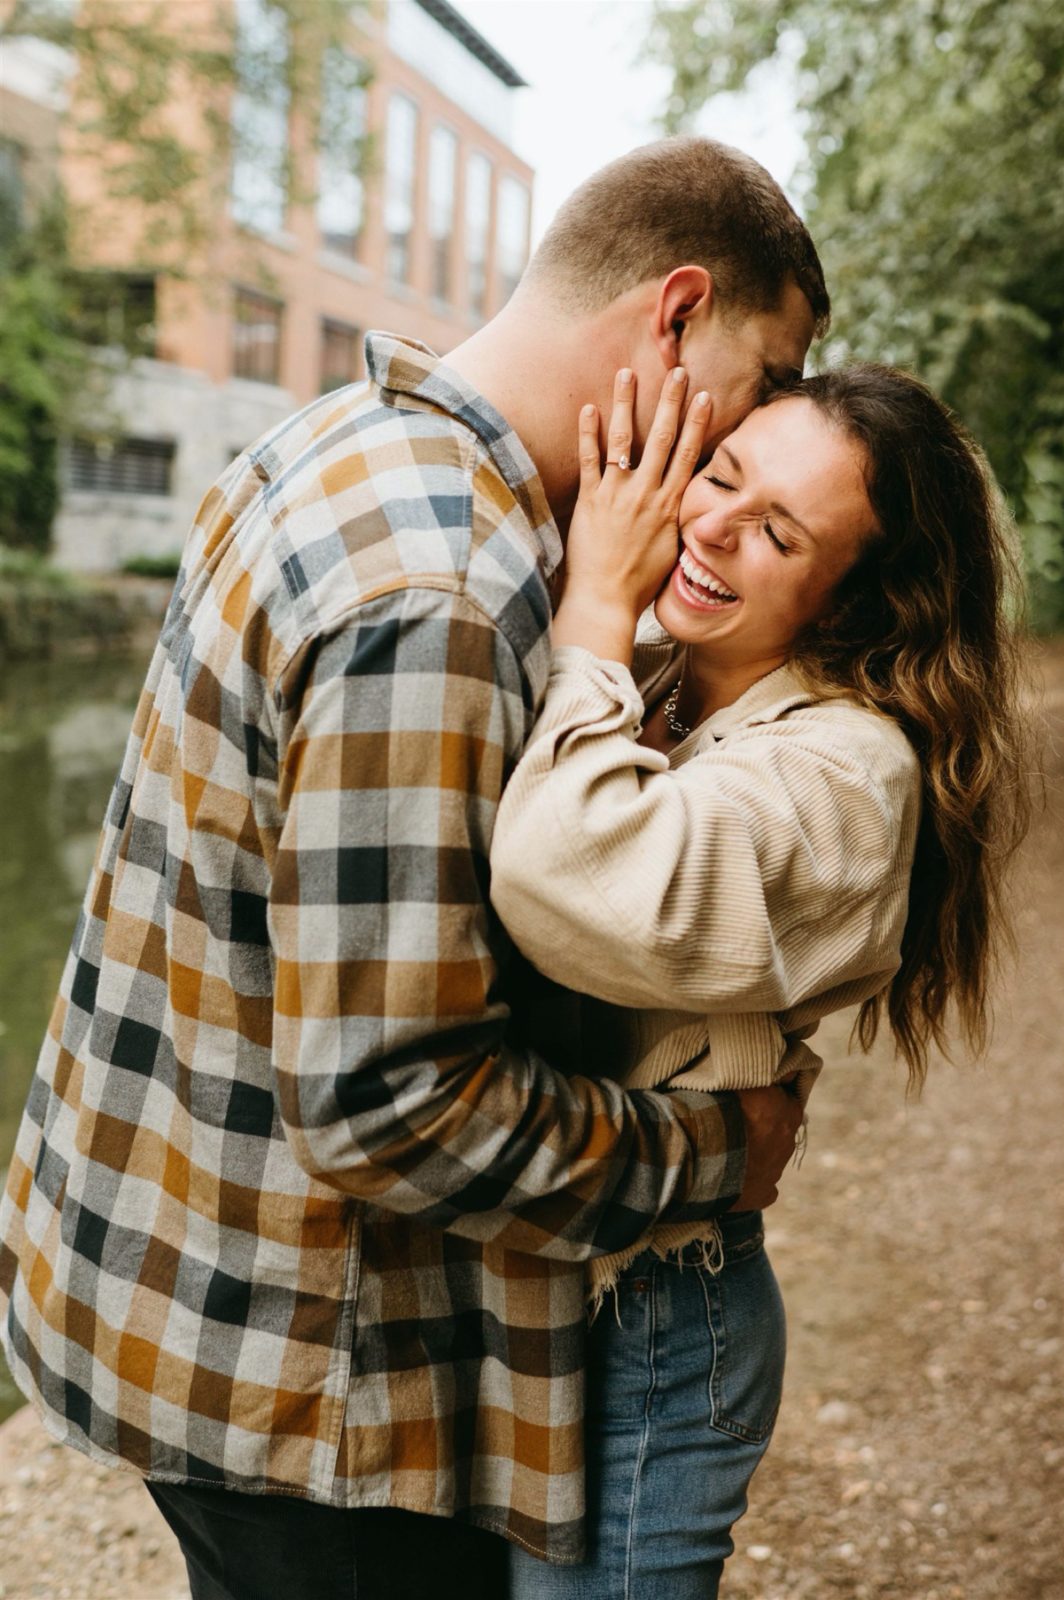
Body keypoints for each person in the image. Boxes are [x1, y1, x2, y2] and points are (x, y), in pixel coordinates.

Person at [0, 138, 826, 1600]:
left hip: (178, 1284)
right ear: (674, 312)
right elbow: (387, 1100)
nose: (727, 456)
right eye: (757, 387)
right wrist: (717, 1149)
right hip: (302, 1382)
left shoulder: (343, 441)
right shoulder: (442, 586)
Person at [489, 362, 1033, 1596]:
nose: (714, 528)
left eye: (778, 532)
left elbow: (563, 869)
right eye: (722, 478)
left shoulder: (847, 773)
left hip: (662, 1321)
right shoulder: (671, 679)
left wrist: (590, 604)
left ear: (850, 601)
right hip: (559, 1268)